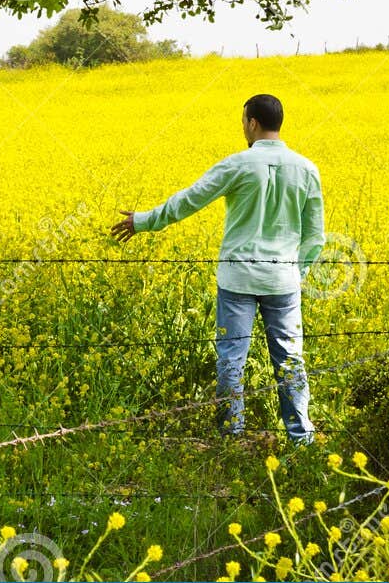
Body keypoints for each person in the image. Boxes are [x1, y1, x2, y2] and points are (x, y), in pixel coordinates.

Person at [110, 94, 324, 444]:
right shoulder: (307, 168)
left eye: (243, 121)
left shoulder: (238, 164)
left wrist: (143, 221)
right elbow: (315, 236)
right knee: (290, 360)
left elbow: (189, 200)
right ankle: (300, 437)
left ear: (252, 123)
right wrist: (295, 273)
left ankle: (231, 434)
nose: (243, 127)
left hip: (237, 277)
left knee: (231, 358)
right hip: (282, 280)